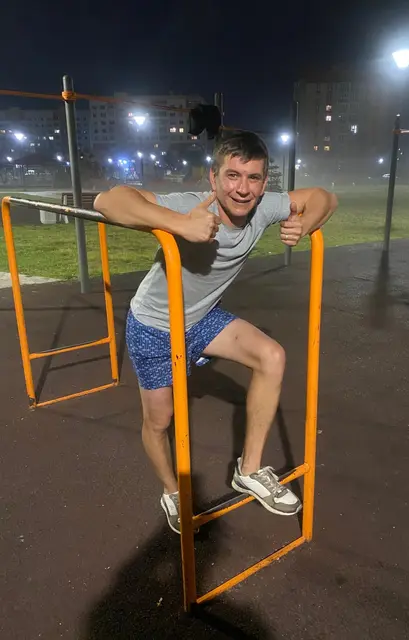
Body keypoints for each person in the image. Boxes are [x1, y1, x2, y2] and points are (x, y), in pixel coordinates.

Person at [94, 130, 338, 533]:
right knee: (160, 421)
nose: (242, 189)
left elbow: (324, 197)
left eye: (253, 178)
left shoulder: (265, 206)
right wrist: (180, 225)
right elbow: (108, 201)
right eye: (232, 176)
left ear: (264, 182)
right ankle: (172, 491)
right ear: (213, 177)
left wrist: (304, 224)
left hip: (202, 318)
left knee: (272, 356)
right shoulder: (191, 205)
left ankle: (249, 470)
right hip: (155, 326)